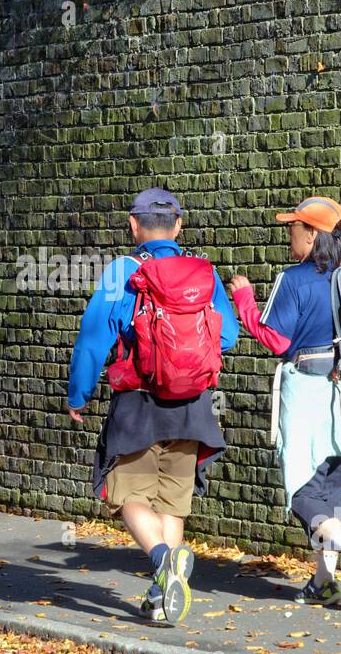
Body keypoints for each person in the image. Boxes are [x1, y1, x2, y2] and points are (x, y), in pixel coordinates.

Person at [66, 188, 239, 623]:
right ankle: (165, 596)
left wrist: (78, 395)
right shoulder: (204, 272)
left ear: (133, 225)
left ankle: (163, 558)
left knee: (126, 496)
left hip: (139, 404)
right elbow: (228, 336)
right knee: (171, 504)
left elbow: (93, 340)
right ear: (179, 226)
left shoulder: (123, 271)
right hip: (193, 407)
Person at [229, 196, 341, 606]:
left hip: (310, 395)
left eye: (294, 226)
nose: (289, 232)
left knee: (304, 493)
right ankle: (324, 580)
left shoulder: (295, 279)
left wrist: (245, 301)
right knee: (332, 493)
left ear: (311, 233)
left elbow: (277, 340)